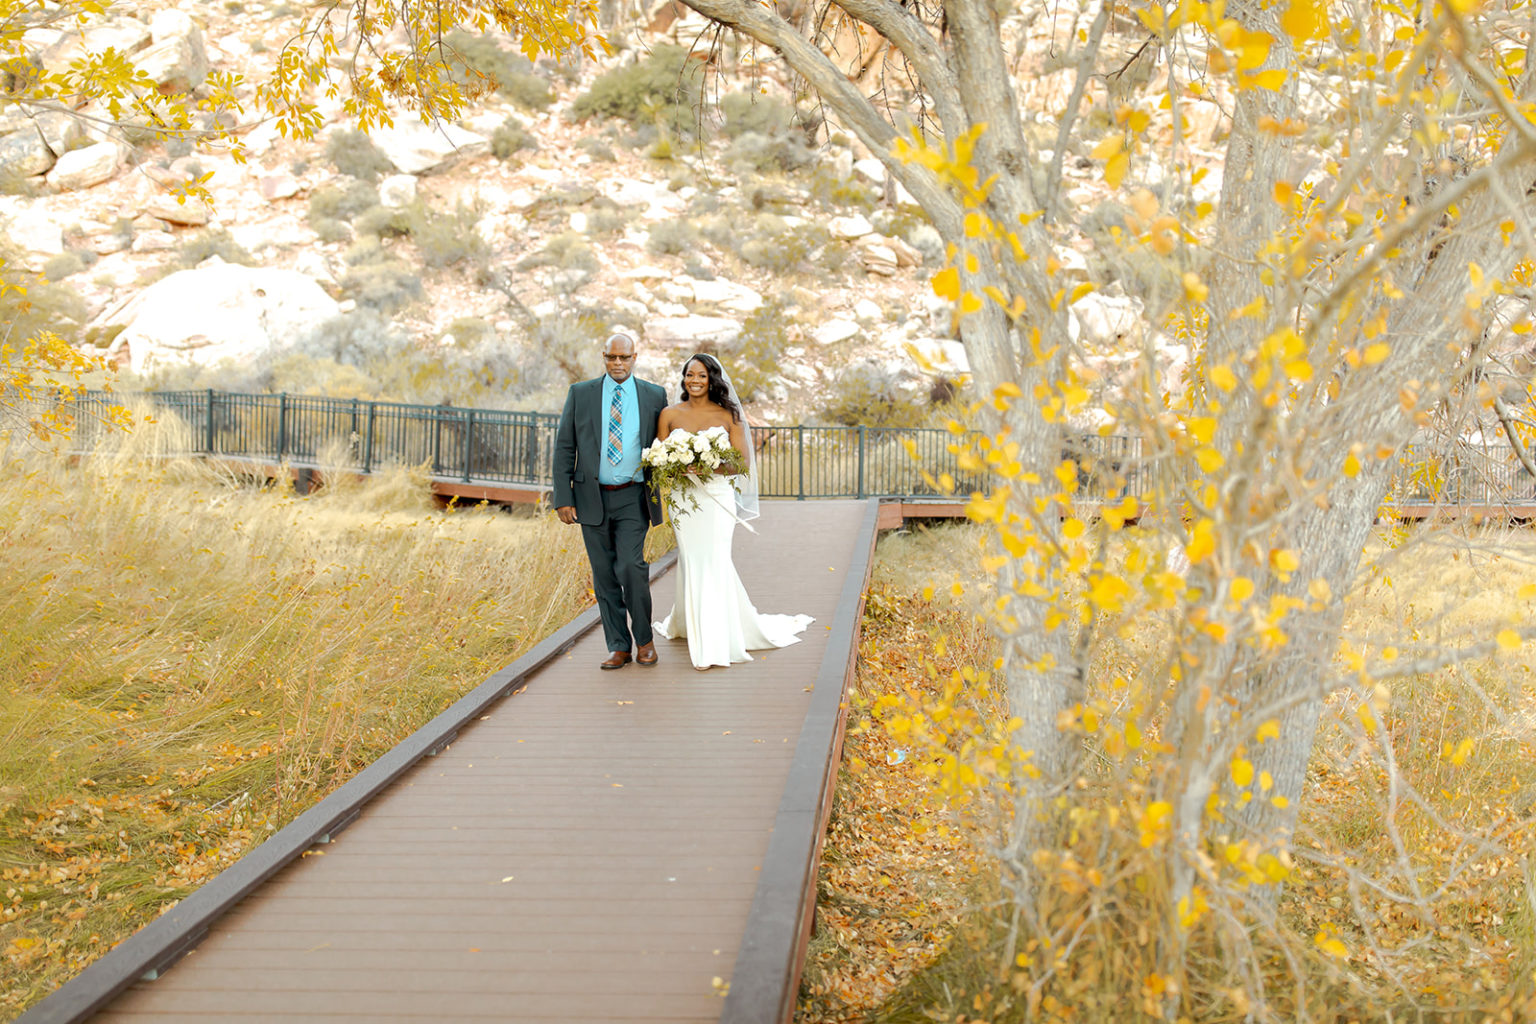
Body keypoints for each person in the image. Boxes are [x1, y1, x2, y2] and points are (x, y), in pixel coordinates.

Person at [652, 353, 813, 670]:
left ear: (713, 379)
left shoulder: (729, 415)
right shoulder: (669, 414)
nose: (694, 381)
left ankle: (712, 643)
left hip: (716, 497)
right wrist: (679, 466)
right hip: (685, 500)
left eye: (701, 376)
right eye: (689, 375)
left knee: (713, 559)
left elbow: (741, 463)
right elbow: (660, 459)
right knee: (691, 560)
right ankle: (690, 624)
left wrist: (707, 463)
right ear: (683, 379)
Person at [552, 332, 669, 670]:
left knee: (631, 568)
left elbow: (662, 443)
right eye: (611, 357)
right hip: (592, 498)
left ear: (635, 357)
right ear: (603, 356)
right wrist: (563, 496)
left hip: (634, 497)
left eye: (624, 357)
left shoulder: (653, 395)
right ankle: (619, 646)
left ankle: (644, 640)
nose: (618, 364)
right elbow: (565, 447)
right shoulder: (581, 393)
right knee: (603, 575)